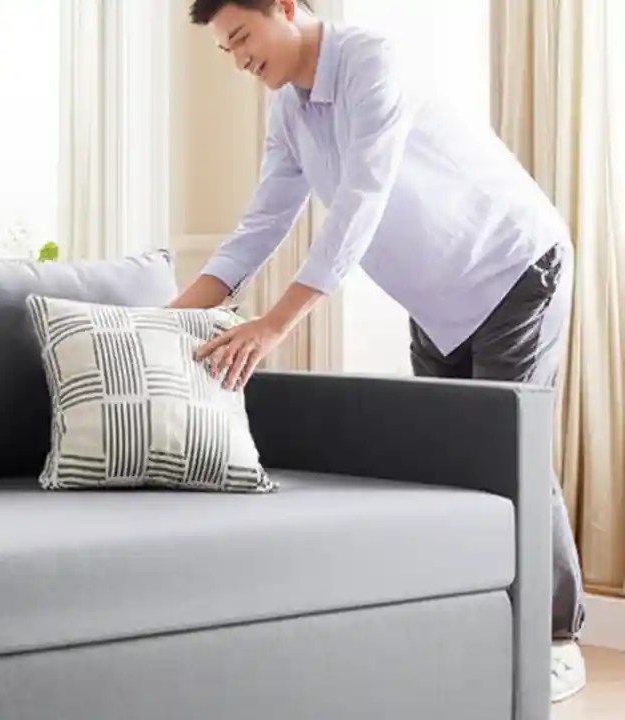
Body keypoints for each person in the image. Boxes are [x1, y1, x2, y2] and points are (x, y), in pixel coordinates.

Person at [172, 0, 588, 702]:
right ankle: (482, 624)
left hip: (513, 268)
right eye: (227, 51)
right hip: (438, 300)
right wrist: (166, 319)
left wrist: (274, 324)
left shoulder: (372, 62)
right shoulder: (291, 110)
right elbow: (260, 225)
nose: (240, 59)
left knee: (513, 454)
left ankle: (556, 638)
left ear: (284, 7)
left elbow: (363, 197)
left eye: (242, 37)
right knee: (450, 463)